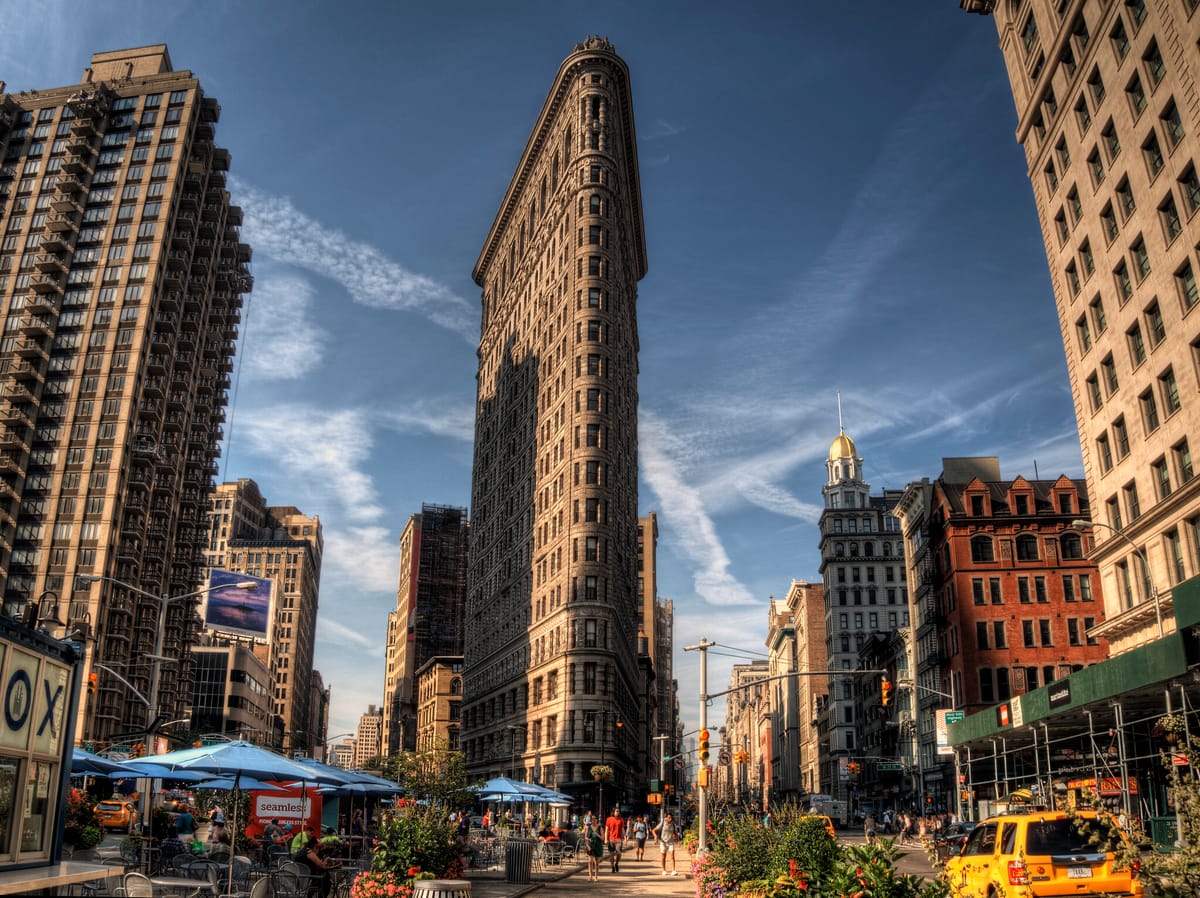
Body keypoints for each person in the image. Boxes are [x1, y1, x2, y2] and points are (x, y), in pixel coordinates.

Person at [604, 808, 624, 873]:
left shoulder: (621, 820)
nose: (618, 812)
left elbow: (623, 829)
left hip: (618, 839)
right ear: (613, 812)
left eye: (618, 811)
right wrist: (606, 839)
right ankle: (612, 866)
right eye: (617, 811)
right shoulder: (609, 819)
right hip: (611, 839)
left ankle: (616, 863)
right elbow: (606, 830)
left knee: (619, 853)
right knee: (611, 854)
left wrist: (625, 837)